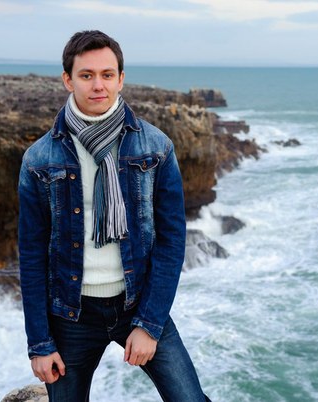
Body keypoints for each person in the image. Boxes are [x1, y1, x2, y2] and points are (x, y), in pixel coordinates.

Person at [18, 30, 210, 402]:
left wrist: (149, 325)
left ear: (120, 79)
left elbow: (172, 241)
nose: (98, 85)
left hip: (136, 303)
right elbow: (31, 253)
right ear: (68, 80)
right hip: (70, 315)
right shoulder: (39, 159)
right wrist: (39, 343)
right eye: (86, 75)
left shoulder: (155, 147)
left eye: (107, 74)